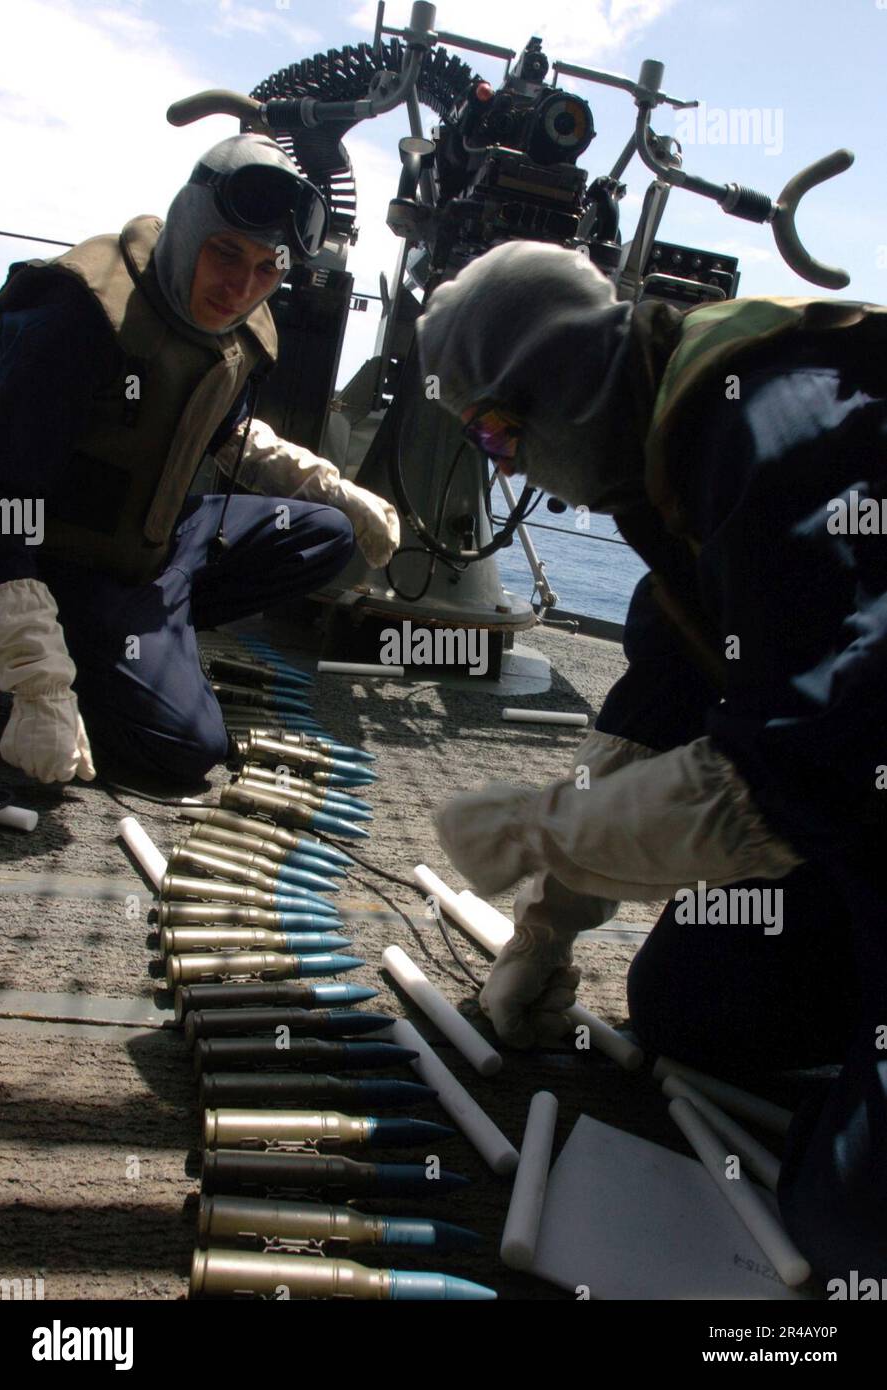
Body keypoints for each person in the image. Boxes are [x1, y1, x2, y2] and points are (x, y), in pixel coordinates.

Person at [416, 238, 887, 1283]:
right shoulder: (661, 451)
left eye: (495, 429)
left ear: (551, 378)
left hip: (850, 779)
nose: (500, 462)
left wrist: (543, 825)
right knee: (687, 1012)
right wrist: (550, 919)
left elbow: (816, 749)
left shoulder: (773, 428)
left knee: (849, 1232)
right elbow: (663, 692)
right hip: (856, 827)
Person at [0, 133, 400, 790]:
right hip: (63, 561)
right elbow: (0, 507)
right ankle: (85, 669)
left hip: (157, 545)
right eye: (226, 253)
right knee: (187, 752)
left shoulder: (237, 326)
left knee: (325, 534)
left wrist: (330, 487)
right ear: (188, 229)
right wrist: (39, 684)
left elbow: (225, 429)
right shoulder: (81, 313)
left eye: (267, 269)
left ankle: (140, 650)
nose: (241, 287)